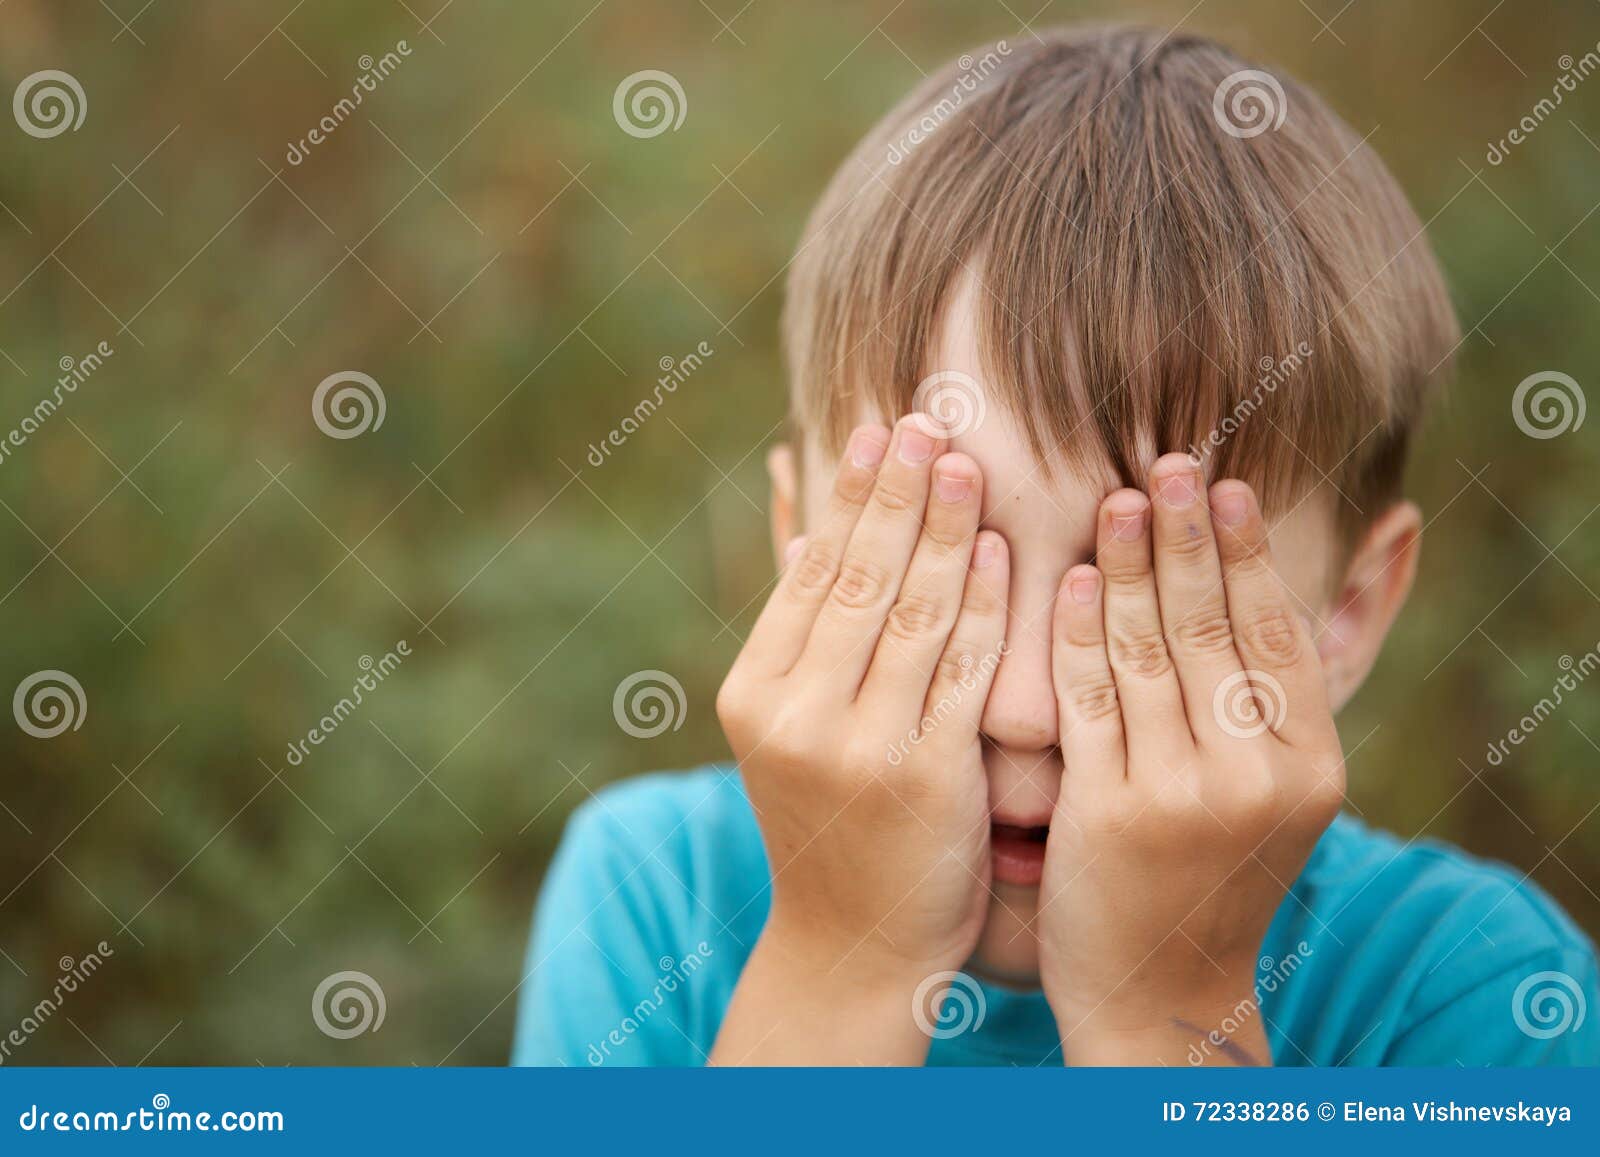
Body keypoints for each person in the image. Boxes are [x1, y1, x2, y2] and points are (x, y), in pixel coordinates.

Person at [513, 25, 1600, 1066]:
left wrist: (1165, 1010)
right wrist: (845, 960)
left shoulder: (1476, 991)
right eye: (942, 566)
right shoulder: (657, 898)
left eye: (1139, 596)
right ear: (805, 543)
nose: (1024, 706)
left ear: (1348, 611)